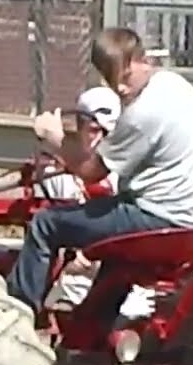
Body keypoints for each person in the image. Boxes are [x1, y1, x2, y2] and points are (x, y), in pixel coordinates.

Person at [6, 26, 193, 324]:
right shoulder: (176, 85)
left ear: (141, 59)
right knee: (114, 246)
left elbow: (90, 172)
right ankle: (89, 338)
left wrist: (54, 138)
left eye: (124, 76)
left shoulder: (141, 114)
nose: (119, 88)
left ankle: (14, 318)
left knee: (45, 224)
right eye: (110, 80)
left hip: (160, 219)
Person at [38, 85, 155, 323]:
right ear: (79, 127)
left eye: (107, 133)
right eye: (92, 130)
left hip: (131, 298)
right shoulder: (58, 174)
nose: (99, 139)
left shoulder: (127, 174)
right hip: (74, 295)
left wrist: (90, 256)